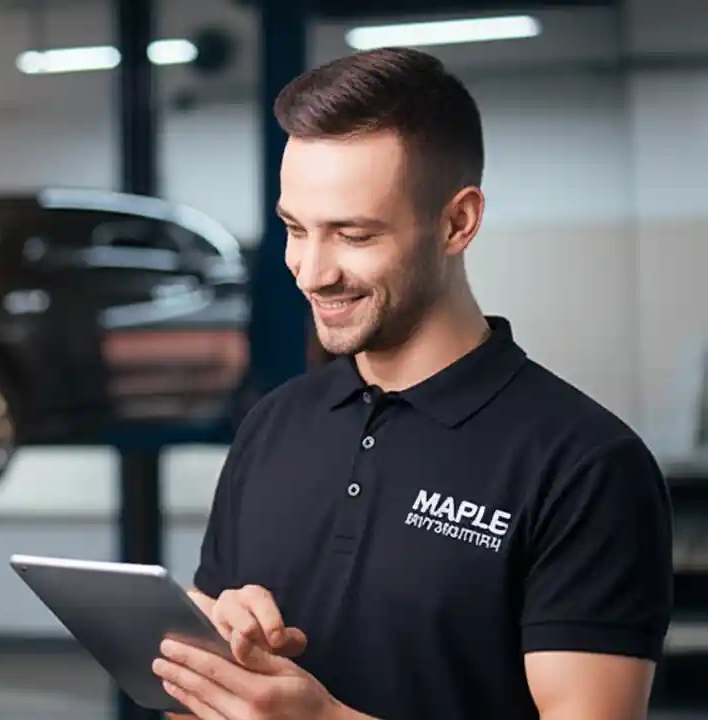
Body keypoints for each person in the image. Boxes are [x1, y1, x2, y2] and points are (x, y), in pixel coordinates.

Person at [152, 47, 674, 719]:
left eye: (353, 235)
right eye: (294, 229)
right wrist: (227, 658)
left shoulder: (585, 465)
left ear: (457, 222)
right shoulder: (273, 424)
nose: (311, 271)